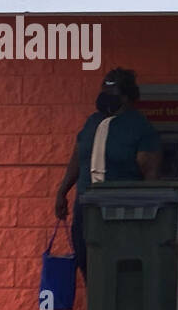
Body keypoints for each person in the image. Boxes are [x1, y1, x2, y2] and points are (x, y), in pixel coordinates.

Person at [54, 68, 162, 279]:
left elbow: (150, 174)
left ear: (126, 96)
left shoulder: (140, 128)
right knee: (87, 265)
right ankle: (98, 309)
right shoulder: (93, 122)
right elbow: (78, 157)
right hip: (85, 210)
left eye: (111, 92)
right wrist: (62, 191)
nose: (105, 96)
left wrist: (148, 222)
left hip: (120, 213)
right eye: (103, 90)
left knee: (116, 271)